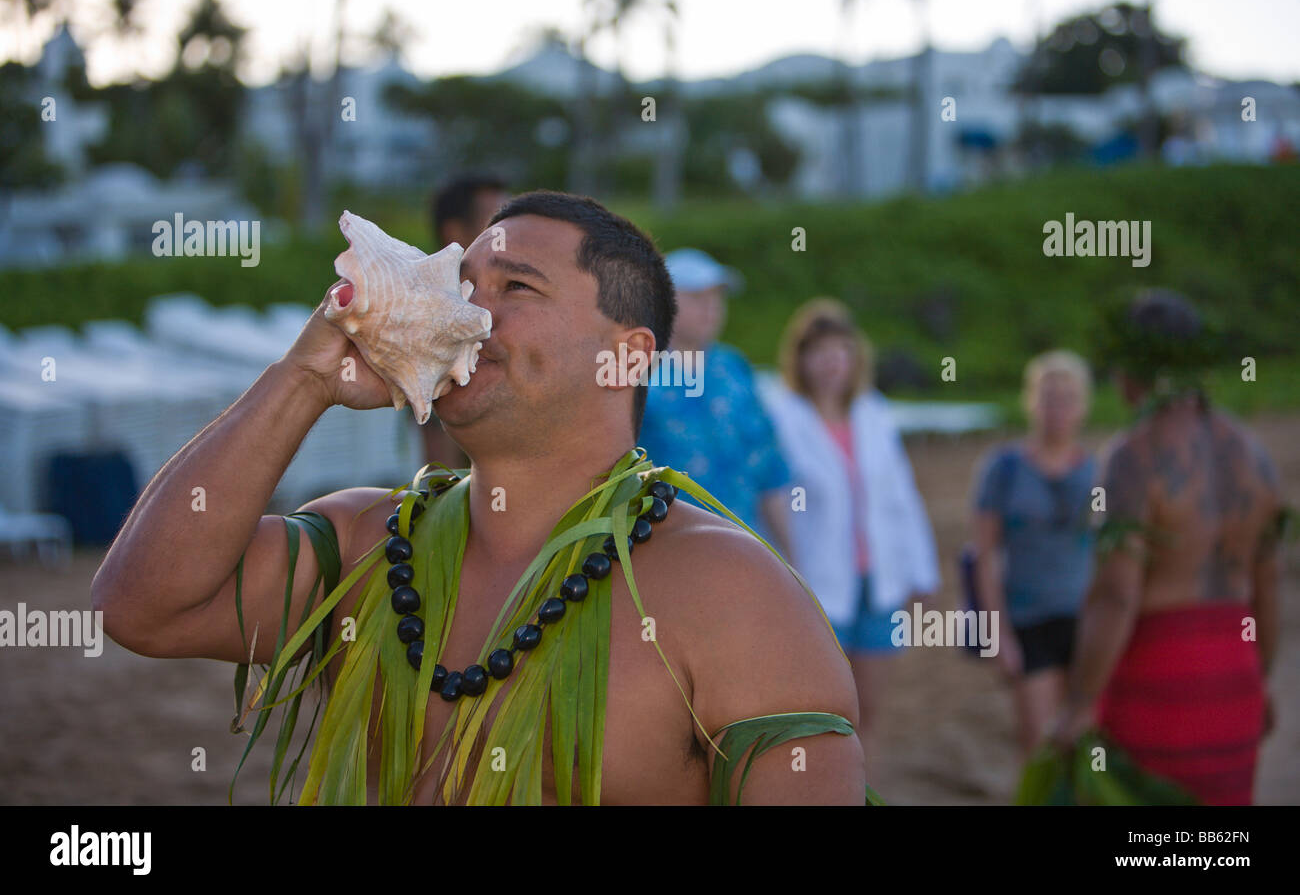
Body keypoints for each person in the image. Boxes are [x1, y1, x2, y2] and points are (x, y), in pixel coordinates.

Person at [92, 191, 866, 805]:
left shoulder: (734, 593)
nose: (466, 313)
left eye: (514, 287)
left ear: (626, 355)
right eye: (461, 288)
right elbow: (144, 607)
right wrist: (305, 379)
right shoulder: (367, 546)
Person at [1050, 289, 1281, 805]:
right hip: (1236, 675)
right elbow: (1268, 588)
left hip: (1158, 677)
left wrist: (1080, 704)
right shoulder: (1254, 455)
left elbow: (1115, 594)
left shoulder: (1132, 457)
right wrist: (1259, 678)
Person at [759, 298, 940, 779]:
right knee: (825, 707)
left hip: (878, 581)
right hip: (816, 584)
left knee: (870, 708)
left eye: (841, 349)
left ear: (856, 356)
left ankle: (860, 787)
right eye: (818, 351)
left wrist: (920, 571)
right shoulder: (780, 416)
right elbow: (771, 494)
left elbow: (900, 495)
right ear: (799, 358)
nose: (831, 361)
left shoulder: (874, 413)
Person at [970, 350, 1096, 758]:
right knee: (1038, 750)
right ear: (1031, 402)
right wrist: (997, 637)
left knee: (1085, 747)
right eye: (1048, 396)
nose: (1057, 408)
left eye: (1067, 397)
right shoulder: (1002, 470)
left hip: (1088, 621)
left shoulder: (1099, 472)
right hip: (1026, 622)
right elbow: (984, 558)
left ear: (1084, 406)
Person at [636, 248, 793, 556]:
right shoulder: (638, 372)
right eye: (697, 297)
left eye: (717, 297)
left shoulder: (735, 368)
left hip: (745, 545)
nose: (712, 308)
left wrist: (790, 559)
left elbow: (769, 466)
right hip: (665, 551)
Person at [420, 175, 511, 471]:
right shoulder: (437, 316)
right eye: (498, 224)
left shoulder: (500, 305)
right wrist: (438, 503)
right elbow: (435, 436)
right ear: (454, 231)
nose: (512, 234)